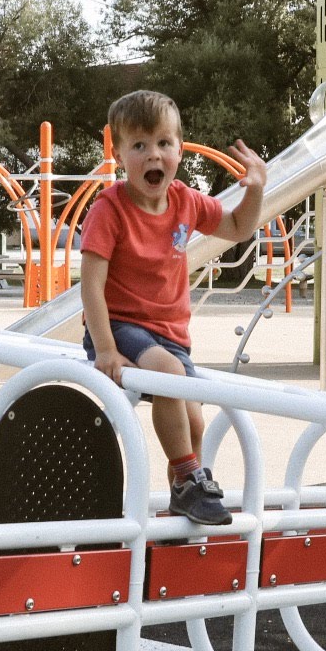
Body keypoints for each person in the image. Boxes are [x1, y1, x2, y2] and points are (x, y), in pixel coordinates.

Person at [80, 90, 267, 525]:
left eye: (164, 143)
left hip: (170, 335)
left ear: (180, 150)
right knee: (169, 376)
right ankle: (190, 479)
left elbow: (239, 227)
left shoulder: (185, 200)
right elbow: (90, 286)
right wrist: (105, 348)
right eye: (139, 145)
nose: (153, 155)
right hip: (120, 326)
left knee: (194, 422)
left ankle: (183, 494)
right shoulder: (110, 210)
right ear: (118, 153)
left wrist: (257, 188)